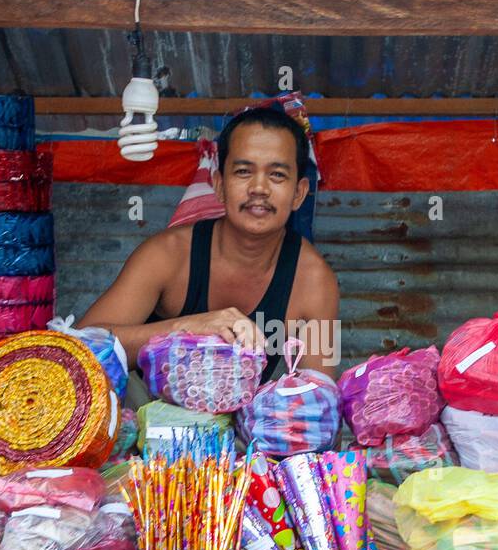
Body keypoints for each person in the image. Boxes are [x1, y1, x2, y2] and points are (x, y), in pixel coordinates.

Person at [81, 106, 340, 379]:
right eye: (243, 171)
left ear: (299, 193)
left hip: (249, 418)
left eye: (277, 175)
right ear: (218, 184)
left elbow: (319, 397)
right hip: (149, 417)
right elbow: (81, 348)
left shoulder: (315, 282)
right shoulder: (166, 255)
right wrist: (188, 328)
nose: (259, 188)